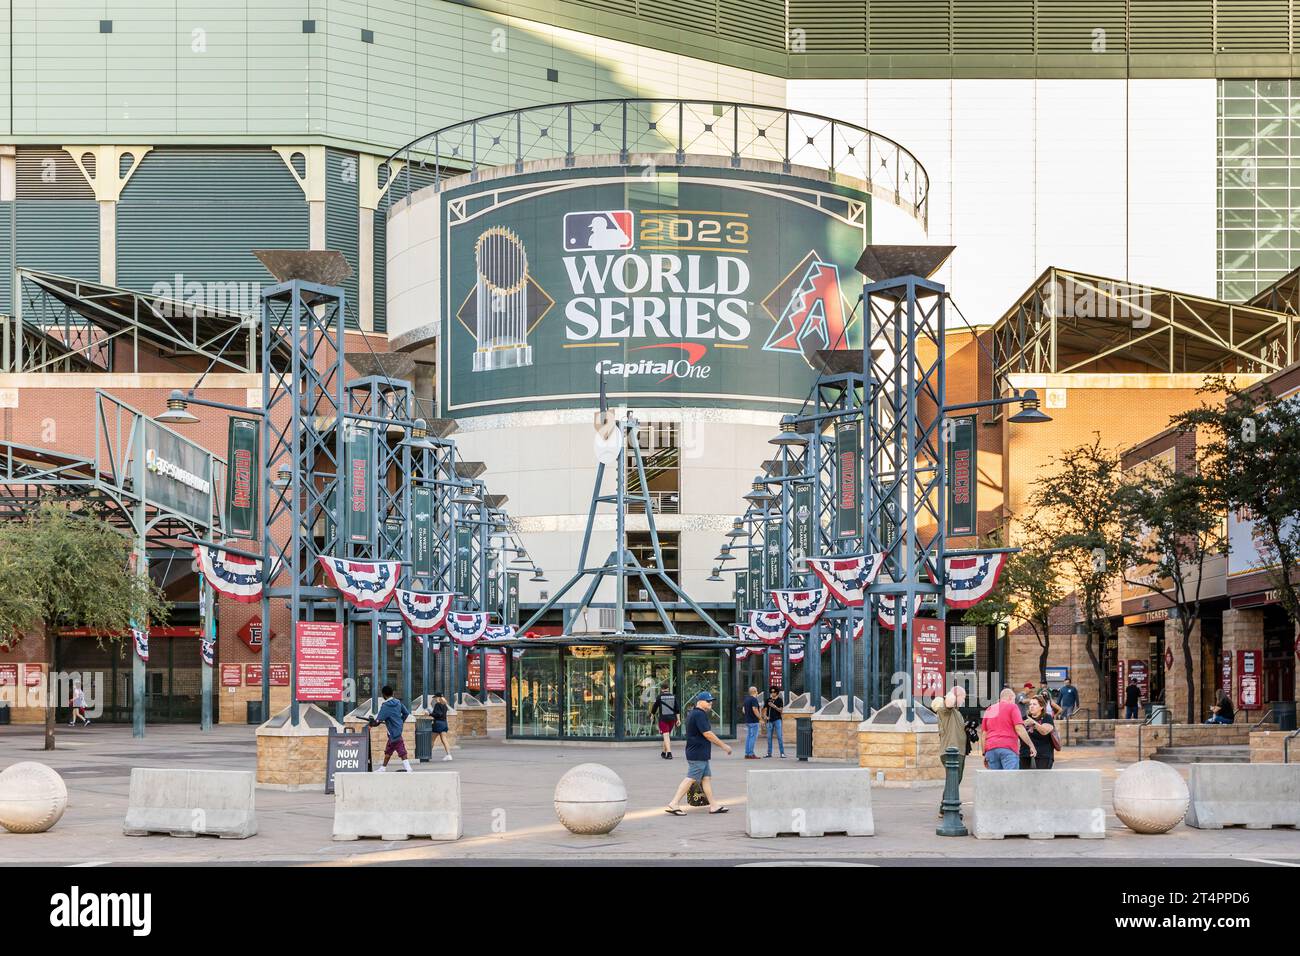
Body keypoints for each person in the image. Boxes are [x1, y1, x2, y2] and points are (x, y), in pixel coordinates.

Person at [665, 691, 732, 815]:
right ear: (700, 702)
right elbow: (707, 734)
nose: (710, 703)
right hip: (697, 753)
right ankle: (674, 803)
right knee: (690, 778)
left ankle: (713, 806)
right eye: (708, 701)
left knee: (706, 778)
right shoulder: (699, 714)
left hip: (699, 753)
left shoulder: (694, 713)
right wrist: (724, 746)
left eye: (711, 701)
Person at [931, 685, 970, 815]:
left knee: (954, 780)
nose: (964, 701)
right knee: (953, 780)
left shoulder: (956, 713)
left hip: (959, 751)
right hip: (951, 751)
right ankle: (948, 810)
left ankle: (945, 807)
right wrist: (954, 693)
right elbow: (949, 701)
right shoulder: (945, 710)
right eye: (963, 697)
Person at [980, 687, 1036, 770]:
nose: (1014, 702)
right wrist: (1031, 745)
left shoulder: (989, 709)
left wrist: (984, 753)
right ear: (1010, 698)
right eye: (1014, 700)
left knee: (995, 778)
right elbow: (1019, 728)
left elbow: (984, 734)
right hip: (1008, 748)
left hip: (991, 749)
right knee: (1010, 777)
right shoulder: (1012, 707)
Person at [371, 685, 413, 772]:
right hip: (395, 731)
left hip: (394, 733)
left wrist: (372, 723)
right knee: (388, 751)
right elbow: (406, 713)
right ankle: (383, 768)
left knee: (401, 750)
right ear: (393, 693)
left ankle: (408, 768)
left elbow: (378, 721)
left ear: (383, 695)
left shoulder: (385, 706)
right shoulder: (398, 702)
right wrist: (400, 722)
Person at [1020, 695, 1056, 769]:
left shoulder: (1047, 717)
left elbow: (1044, 731)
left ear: (1041, 707)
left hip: (1043, 754)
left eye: (1034, 704)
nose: (1031, 706)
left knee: (1042, 776)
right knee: (1024, 776)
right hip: (1025, 754)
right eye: (1030, 704)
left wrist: (1033, 723)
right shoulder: (1024, 718)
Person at [650, 682, 679, 759]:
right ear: (668, 688)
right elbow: (677, 709)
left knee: (666, 736)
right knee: (667, 736)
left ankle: (669, 753)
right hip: (672, 719)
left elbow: (654, 707)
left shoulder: (659, 697)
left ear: (661, 689)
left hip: (663, 719)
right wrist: (678, 719)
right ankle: (663, 752)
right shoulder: (673, 696)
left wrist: (652, 716)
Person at [430, 691, 453, 761]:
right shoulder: (445, 705)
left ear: (438, 697)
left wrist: (429, 714)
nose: (434, 699)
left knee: (431, 739)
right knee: (444, 739)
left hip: (438, 724)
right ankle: (449, 755)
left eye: (435, 697)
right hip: (444, 724)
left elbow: (438, 714)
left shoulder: (437, 704)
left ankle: (428, 754)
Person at [763, 688, 785, 758]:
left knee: (779, 736)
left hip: (777, 720)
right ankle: (769, 753)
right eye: (771, 692)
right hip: (769, 720)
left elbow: (781, 710)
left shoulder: (780, 700)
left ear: (777, 692)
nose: (772, 693)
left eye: (774, 692)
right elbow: (764, 709)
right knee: (769, 737)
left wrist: (774, 706)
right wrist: (765, 716)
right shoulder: (768, 700)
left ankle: (782, 753)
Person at [742, 685, 762, 759]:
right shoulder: (754, 699)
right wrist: (760, 718)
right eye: (757, 691)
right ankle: (751, 754)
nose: (757, 693)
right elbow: (755, 709)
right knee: (753, 738)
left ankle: (747, 753)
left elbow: (743, 710)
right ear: (755, 692)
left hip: (748, 721)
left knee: (749, 737)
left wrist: (748, 715)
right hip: (754, 721)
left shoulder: (746, 699)